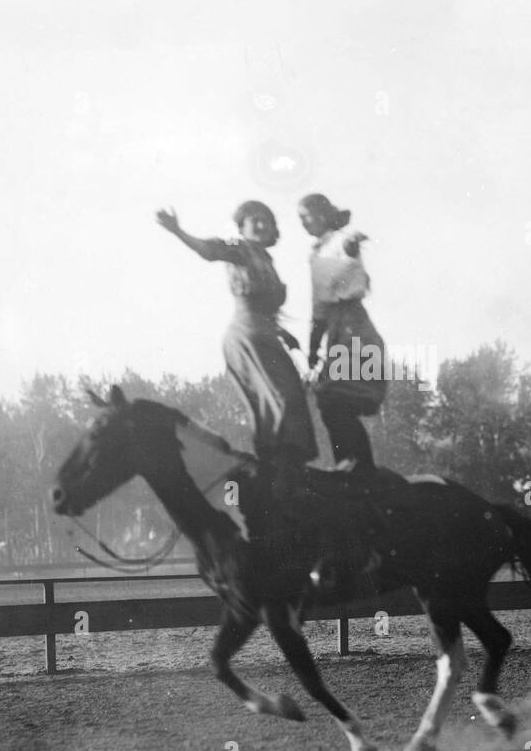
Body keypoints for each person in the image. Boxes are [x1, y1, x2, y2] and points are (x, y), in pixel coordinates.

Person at [156, 200, 318, 531]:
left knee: (289, 402)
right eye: (252, 220)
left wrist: (285, 334)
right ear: (242, 227)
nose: (259, 225)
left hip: (266, 335)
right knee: (282, 403)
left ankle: (285, 477)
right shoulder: (239, 250)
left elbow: (267, 307)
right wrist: (177, 230)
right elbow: (208, 250)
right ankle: (281, 484)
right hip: (248, 336)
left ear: (274, 230)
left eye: (266, 221)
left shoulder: (266, 260)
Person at [298, 193, 387, 474]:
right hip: (343, 330)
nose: (303, 223)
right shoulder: (316, 254)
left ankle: (356, 464)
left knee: (336, 400)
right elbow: (319, 308)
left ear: (322, 214)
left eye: (306, 217)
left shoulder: (336, 241)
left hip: (353, 330)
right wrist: (313, 349)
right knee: (333, 403)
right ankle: (352, 462)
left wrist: (352, 244)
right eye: (300, 220)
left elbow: (347, 248)